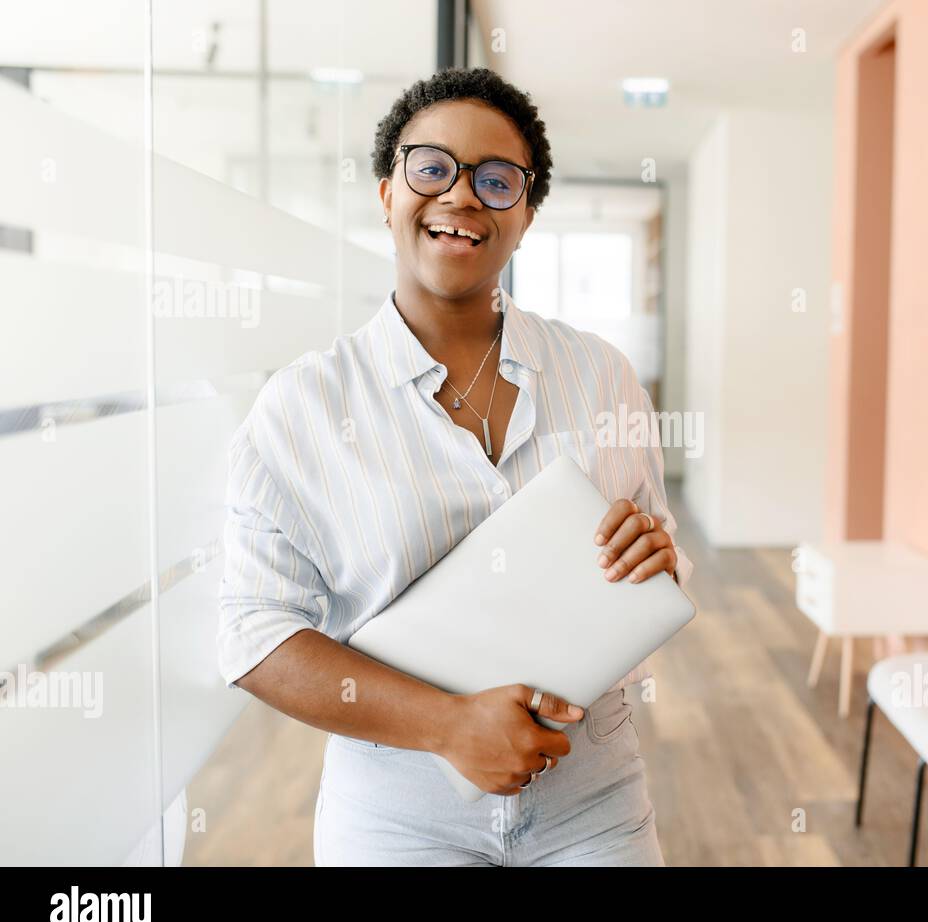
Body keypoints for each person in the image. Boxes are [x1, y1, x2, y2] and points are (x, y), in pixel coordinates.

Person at [215, 67, 693, 866]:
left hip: (593, 793)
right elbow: (253, 633)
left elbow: (659, 564)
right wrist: (447, 726)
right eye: (432, 167)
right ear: (387, 190)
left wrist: (658, 563)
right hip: (398, 809)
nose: (462, 196)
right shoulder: (300, 407)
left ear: (527, 213)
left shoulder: (603, 377)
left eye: (496, 180)